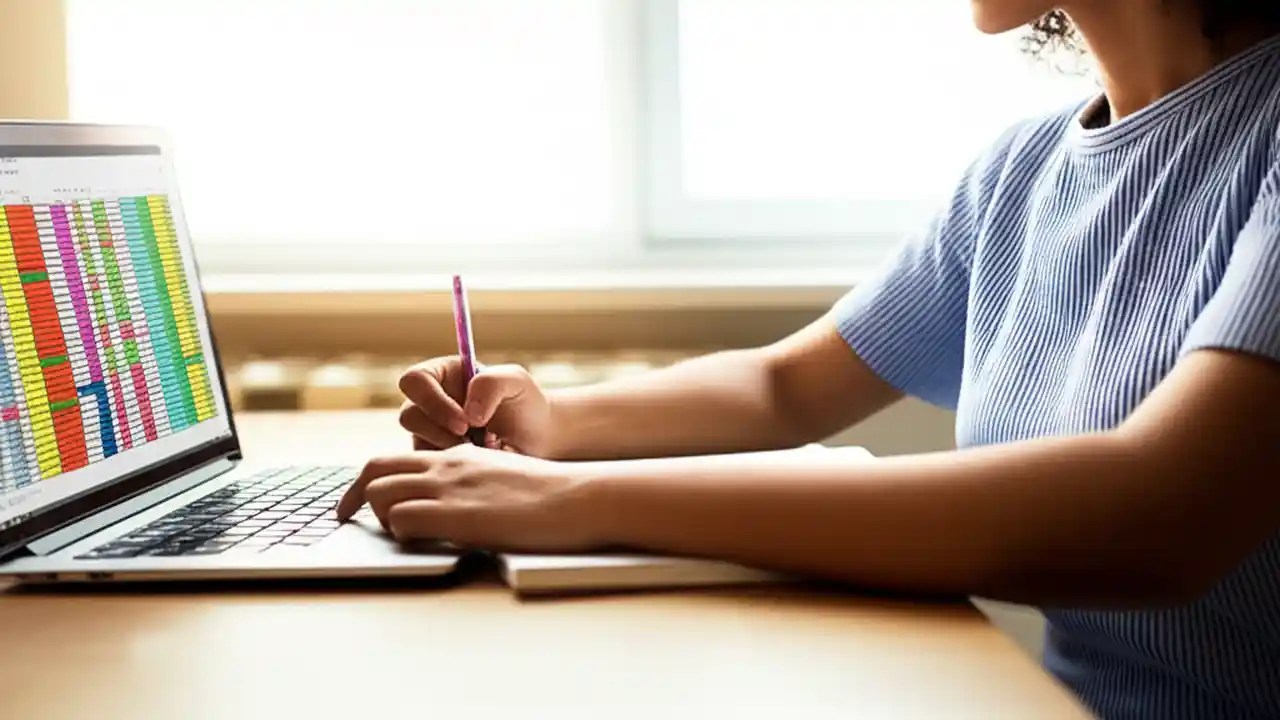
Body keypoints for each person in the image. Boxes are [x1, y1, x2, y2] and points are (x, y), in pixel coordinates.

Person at [337, 2, 1280, 717]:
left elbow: (1162, 514)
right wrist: (555, 425)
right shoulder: (1024, 169)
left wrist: (580, 503)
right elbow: (784, 385)